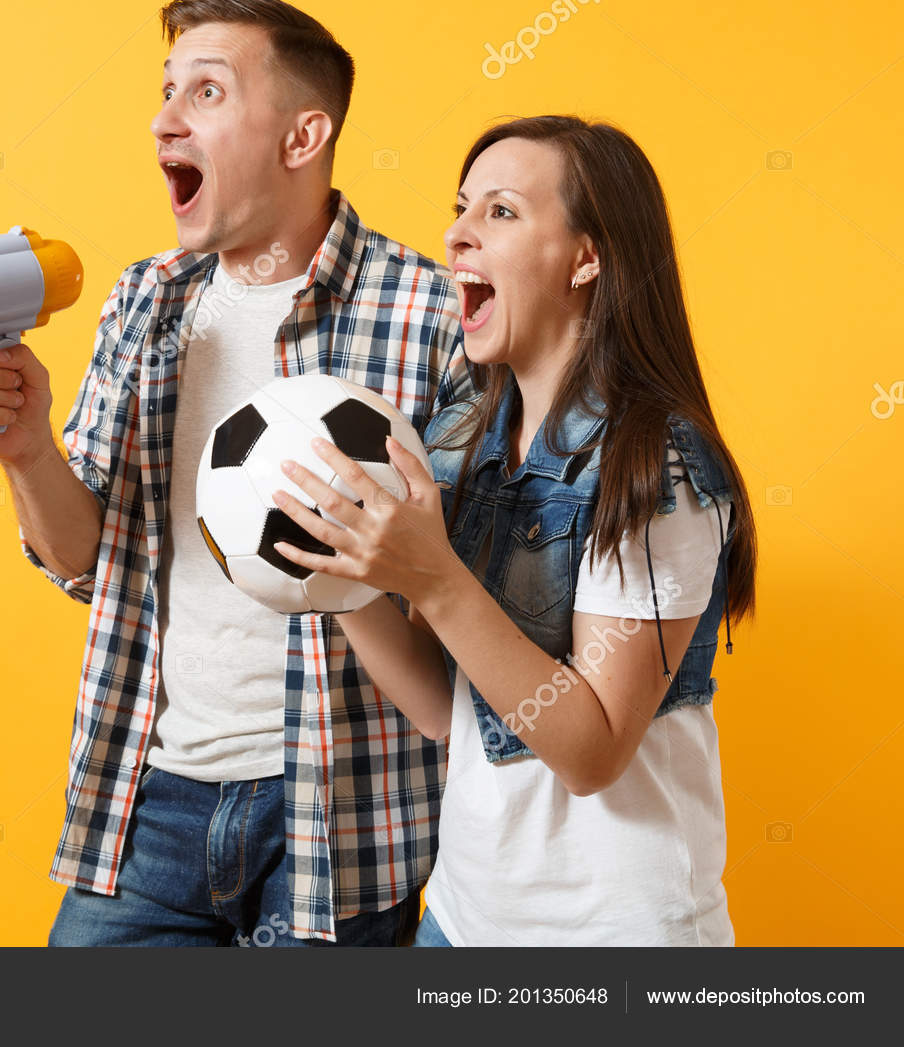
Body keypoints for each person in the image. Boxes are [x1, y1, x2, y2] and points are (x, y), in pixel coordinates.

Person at [0, 0, 473, 945]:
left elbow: (470, 597)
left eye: (209, 90)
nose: (165, 118)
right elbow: (84, 560)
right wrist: (26, 452)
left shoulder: (433, 315)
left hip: (341, 821)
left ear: (302, 135)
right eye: (166, 91)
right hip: (151, 800)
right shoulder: (145, 302)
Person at [268, 115, 758, 945]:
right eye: (461, 209)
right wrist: (333, 576)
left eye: (500, 211)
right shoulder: (461, 432)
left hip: (618, 936)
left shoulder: (655, 465)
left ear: (586, 256)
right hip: (463, 920)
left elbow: (593, 750)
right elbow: (442, 707)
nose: (456, 234)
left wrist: (433, 576)